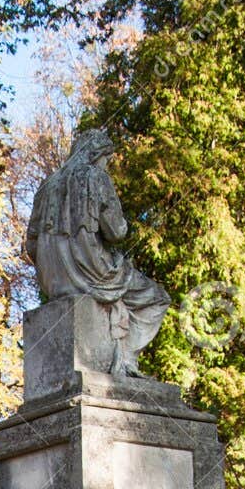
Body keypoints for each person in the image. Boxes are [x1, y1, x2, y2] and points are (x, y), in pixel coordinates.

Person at [25, 127, 169, 376]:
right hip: (93, 272)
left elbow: (31, 243)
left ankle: (121, 357)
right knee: (156, 297)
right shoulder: (94, 176)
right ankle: (125, 359)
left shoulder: (48, 185)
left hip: (52, 282)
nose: (106, 166)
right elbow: (116, 231)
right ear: (96, 155)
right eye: (106, 160)